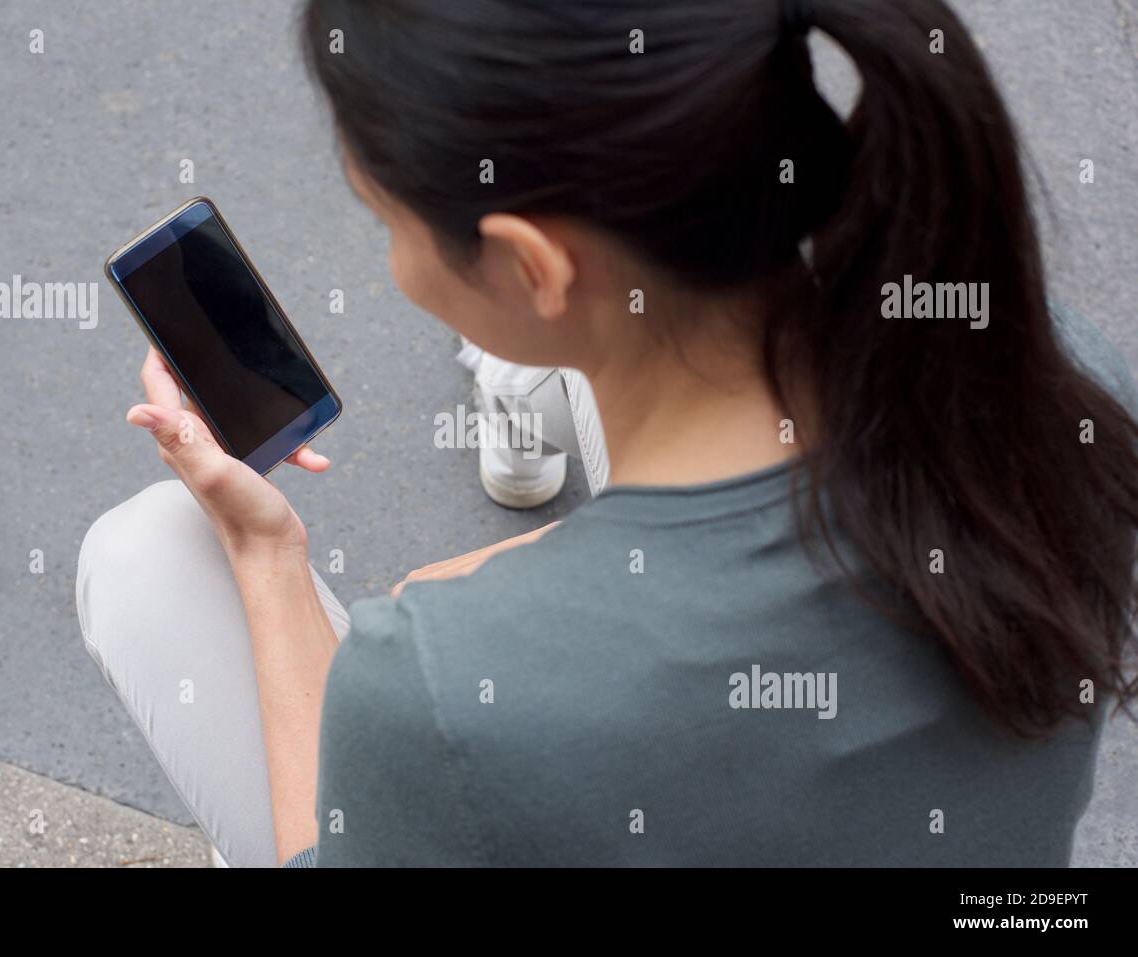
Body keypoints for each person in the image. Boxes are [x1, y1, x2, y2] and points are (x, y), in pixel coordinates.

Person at [76, 0, 1138, 866]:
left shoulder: (440, 701)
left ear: (531, 265)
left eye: (388, 223)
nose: (394, 266)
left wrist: (267, 547)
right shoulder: (1062, 385)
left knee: (145, 554)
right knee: (626, 344)